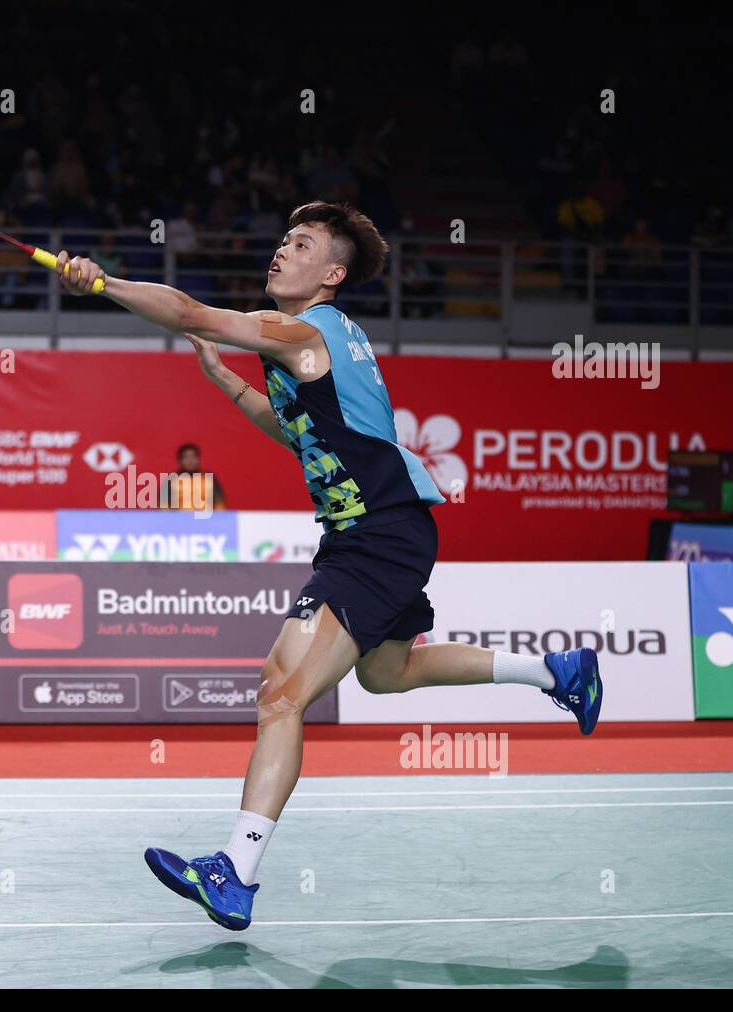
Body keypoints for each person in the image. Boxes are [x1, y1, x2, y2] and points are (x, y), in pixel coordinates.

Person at [54, 200, 604, 931]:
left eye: (302, 242)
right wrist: (230, 385)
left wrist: (101, 284)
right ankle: (559, 673)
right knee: (385, 672)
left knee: (281, 695)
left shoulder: (300, 328)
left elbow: (189, 311)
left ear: (332, 273)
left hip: (377, 534)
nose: (283, 249)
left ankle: (236, 869)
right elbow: (300, 436)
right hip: (370, 532)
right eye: (284, 237)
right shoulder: (325, 341)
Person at [161, 442, 226, 511]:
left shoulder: (209, 478)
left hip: (206, 519)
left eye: (194, 457)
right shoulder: (171, 479)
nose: (190, 461)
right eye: (186, 457)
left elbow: (219, 503)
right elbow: (164, 506)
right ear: (180, 460)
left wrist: (218, 520)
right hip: (180, 520)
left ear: (199, 459)